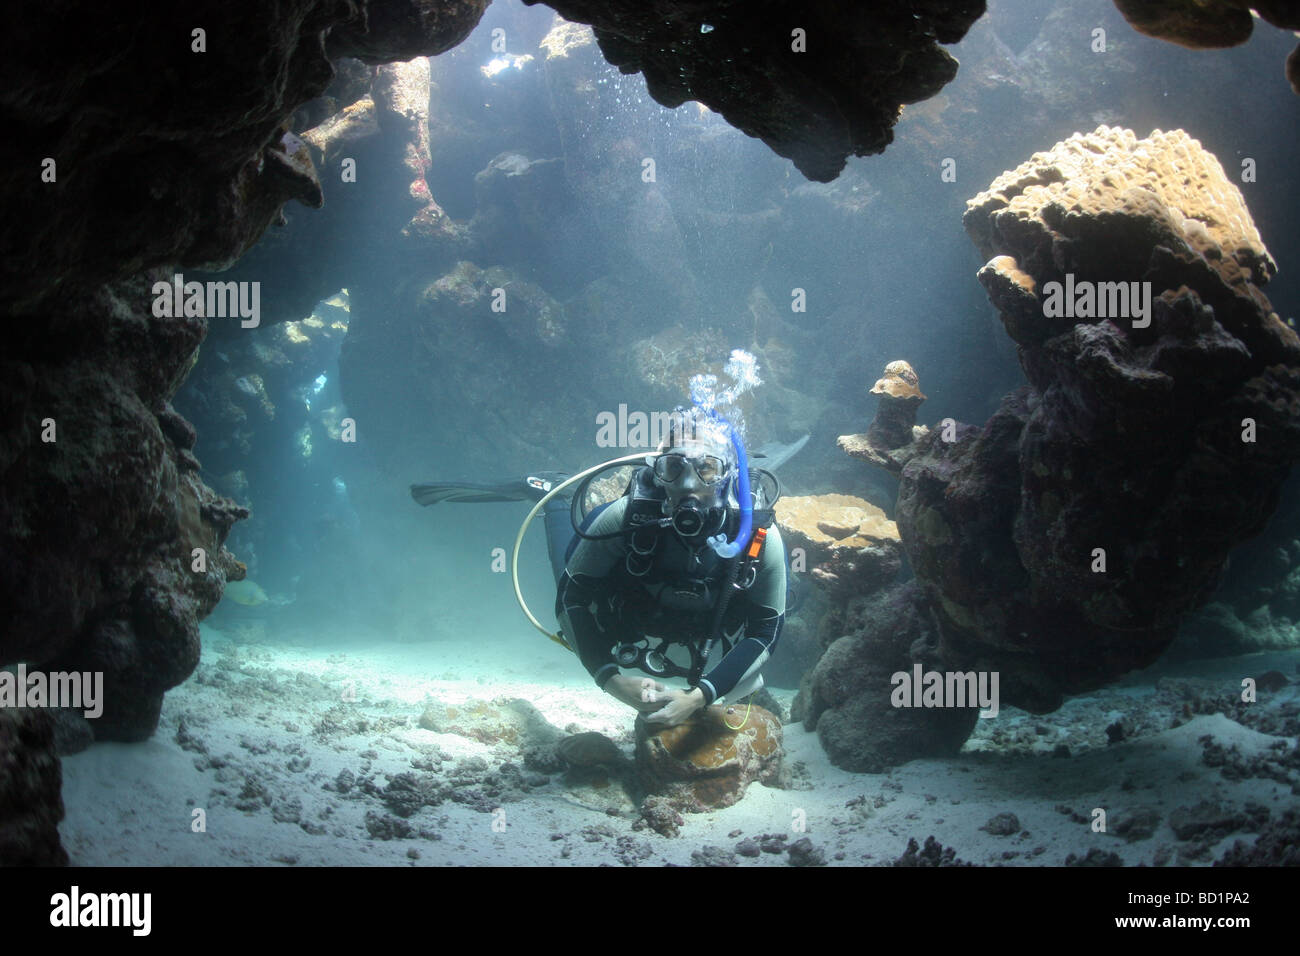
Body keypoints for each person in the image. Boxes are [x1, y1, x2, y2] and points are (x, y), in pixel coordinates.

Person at [411, 407, 788, 728]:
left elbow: (767, 629)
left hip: (693, 622)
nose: (688, 484)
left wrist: (702, 695)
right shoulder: (626, 517)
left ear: (727, 476)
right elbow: (570, 601)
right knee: (567, 574)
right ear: (657, 472)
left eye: (706, 468)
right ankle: (553, 496)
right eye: (674, 467)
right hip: (633, 603)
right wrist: (609, 679)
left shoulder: (757, 537)